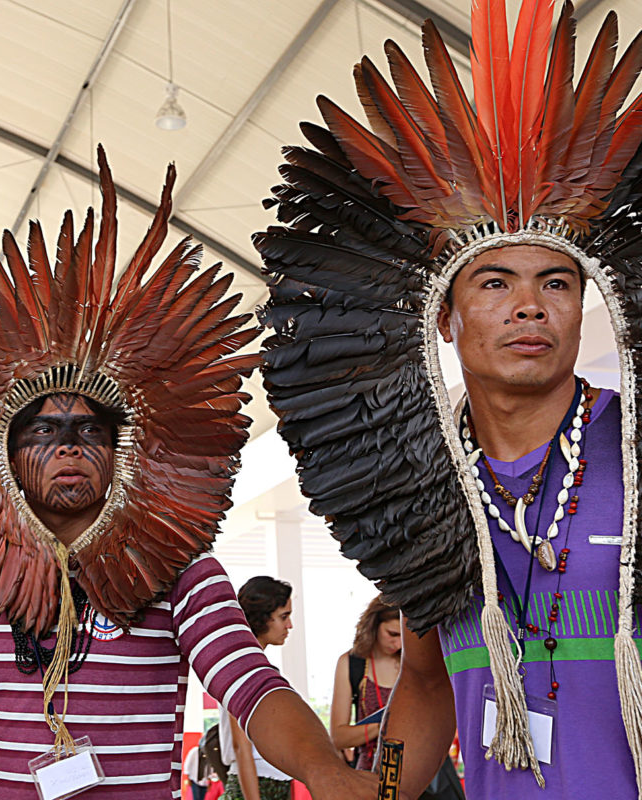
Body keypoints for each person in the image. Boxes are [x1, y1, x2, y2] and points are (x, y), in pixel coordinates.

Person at [0, 146, 377, 800]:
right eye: (44, 432)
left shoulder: (178, 572)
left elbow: (251, 684)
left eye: (90, 431)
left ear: (120, 450)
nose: (69, 446)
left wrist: (326, 770)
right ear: (6, 456)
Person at [255, 0, 642, 797]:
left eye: (556, 283)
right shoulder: (423, 484)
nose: (529, 307)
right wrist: (386, 790)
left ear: (584, 304)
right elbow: (427, 685)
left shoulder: (632, 451)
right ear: (445, 315)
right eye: (496, 282)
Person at [219, 576, 294, 800]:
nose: (289, 625)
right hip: (255, 787)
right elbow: (241, 747)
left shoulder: (256, 666)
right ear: (262, 619)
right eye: (284, 617)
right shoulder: (240, 666)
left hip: (270, 784)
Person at [330, 597, 401, 771]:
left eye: (404, 637)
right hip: (369, 773)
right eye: (392, 634)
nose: (398, 644)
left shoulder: (414, 664)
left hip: (415, 774)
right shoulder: (351, 664)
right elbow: (339, 737)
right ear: (374, 626)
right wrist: (385, 726)